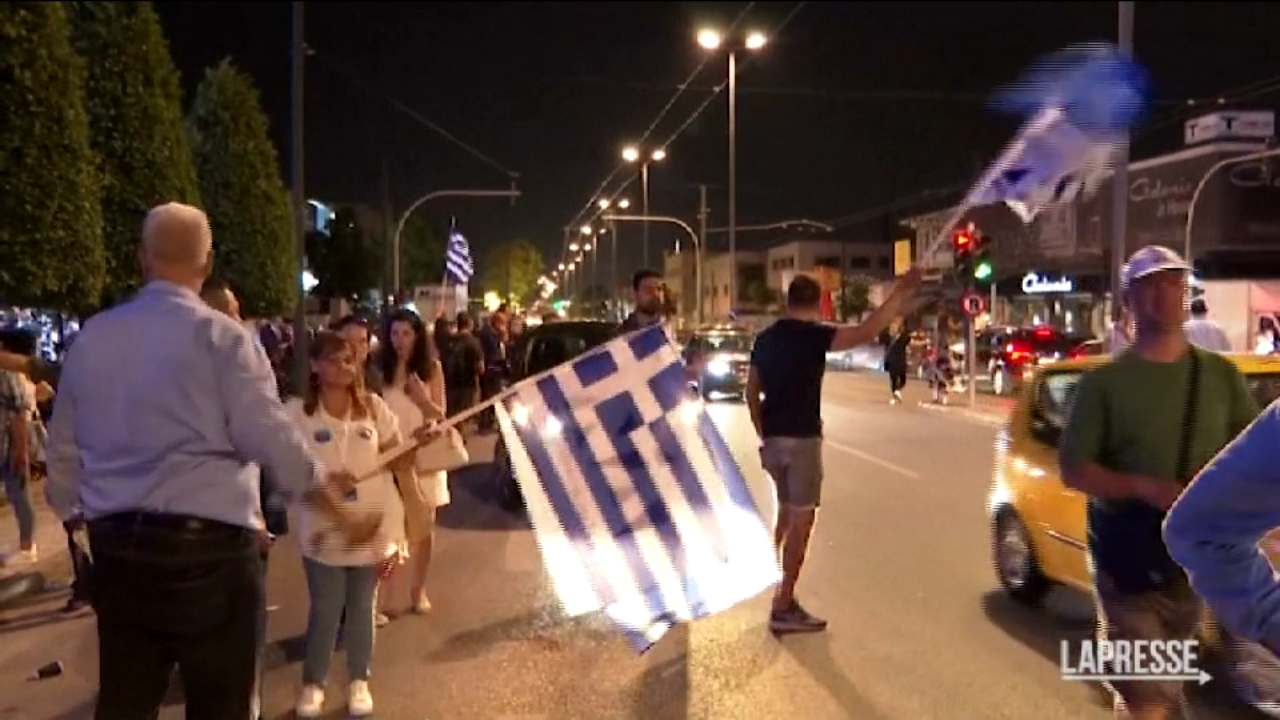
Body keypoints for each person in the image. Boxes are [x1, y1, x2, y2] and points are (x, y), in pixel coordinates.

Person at [43, 202, 365, 720]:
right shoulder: (226, 340)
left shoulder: (92, 339)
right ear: (206, 263)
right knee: (220, 706)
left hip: (120, 550)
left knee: (126, 700)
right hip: (212, 554)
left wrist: (73, 513)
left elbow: (62, 451)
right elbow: (267, 433)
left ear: (140, 258)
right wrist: (318, 482)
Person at [1058, 245, 1255, 720]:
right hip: (1128, 567)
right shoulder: (1104, 385)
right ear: (1129, 300)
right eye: (1149, 286)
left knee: (1158, 693)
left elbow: (1250, 460)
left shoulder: (1221, 378)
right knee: (1150, 699)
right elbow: (1075, 468)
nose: (1164, 295)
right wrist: (1144, 487)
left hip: (1191, 571)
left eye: (1173, 284)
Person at [746, 267, 921, 633]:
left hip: (773, 440)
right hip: (804, 439)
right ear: (815, 304)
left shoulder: (765, 340)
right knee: (802, 519)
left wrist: (764, 433)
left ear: (788, 301)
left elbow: (751, 392)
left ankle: (769, 570)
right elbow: (869, 330)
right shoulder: (815, 337)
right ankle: (784, 602)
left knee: (785, 507)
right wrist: (900, 292)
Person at [200, 278, 288, 719]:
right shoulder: (239, 362)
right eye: (233, 310)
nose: (240, 318)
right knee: (239, 627)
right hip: (232, 519)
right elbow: (261, 438)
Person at [378, 309, 449, 616]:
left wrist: (422, 399)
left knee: (423, 527)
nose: (400, 340)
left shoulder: (431, 368)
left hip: (423, 455)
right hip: (391, 456)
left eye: (406, 333)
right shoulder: (380, 368)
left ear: (418, 336)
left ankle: (418, 590)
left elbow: (442, 415)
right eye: (395, 333)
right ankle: (385, 596)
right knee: (388, 528)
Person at [0, 331, 36, 568]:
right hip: (8, 443)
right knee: (18, 494)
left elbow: (19, 414)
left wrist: (21, 450)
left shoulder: (7, 373)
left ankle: (27, 546)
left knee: (20, 494)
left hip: (9, 444)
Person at [444, 312, 483, 419]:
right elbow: (480, 368)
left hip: (451, 384)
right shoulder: (473, 342)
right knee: (464, 417)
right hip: (468, 385)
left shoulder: (450, 340)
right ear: (470, 323)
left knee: (453, 418)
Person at [335, 315, 383, 394]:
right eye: (349, 340)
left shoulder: (376, 381)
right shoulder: (325, 380)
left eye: (361, 342)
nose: (355, 348)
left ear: (368, 347)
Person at [881, 322, 911, 404]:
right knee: (897, 380)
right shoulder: (892, 339)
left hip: (895, 361)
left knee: (898, 380)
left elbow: (908, 339)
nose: (893, 330)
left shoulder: (900, 338)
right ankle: (896, 394)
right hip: (896, 362)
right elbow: (887, 351)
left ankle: (896, 394)